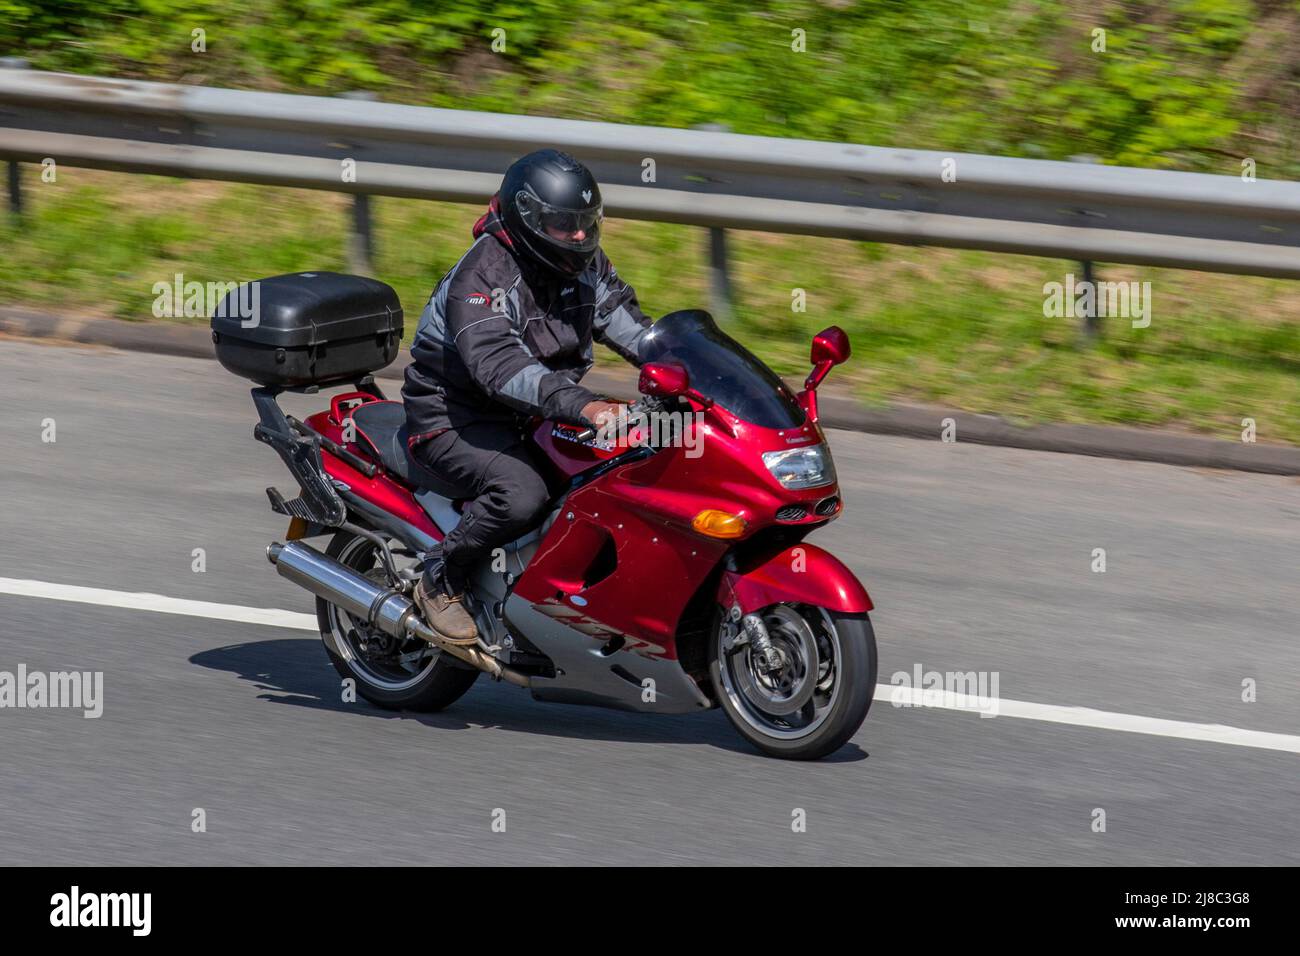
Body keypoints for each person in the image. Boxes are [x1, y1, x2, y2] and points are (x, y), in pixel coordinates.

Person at [402, 148, 653, 645]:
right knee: (523, 494)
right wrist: (584, 405)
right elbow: (500, 368)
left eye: (585, 223)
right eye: (564, 224)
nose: (579, 235)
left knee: (628, 466)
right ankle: (439, 577)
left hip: (537, 409)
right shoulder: (483, 277)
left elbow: (635, 330)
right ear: (528, 217)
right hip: (455, 414)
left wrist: (690, 372)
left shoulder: (583, 264)